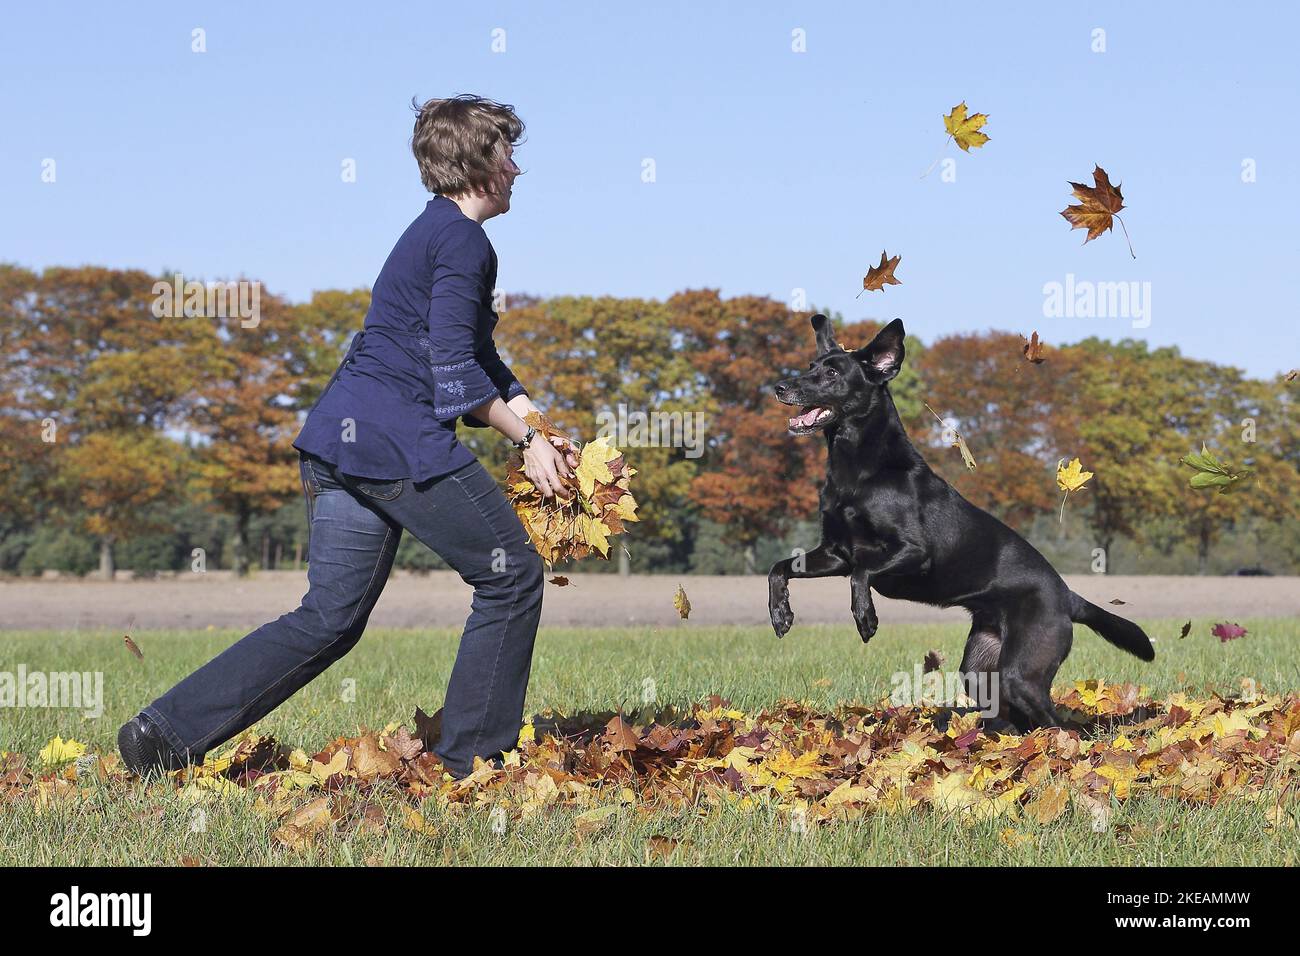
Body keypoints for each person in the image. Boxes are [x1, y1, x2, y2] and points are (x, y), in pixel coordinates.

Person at [118, 94, 575, 779]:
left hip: (339, 441)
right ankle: (469, 765)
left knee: (329, 617)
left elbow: (476, 359)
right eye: (509, 152)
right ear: (482, 161)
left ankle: (164, 733)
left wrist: (537, 427)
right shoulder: (463, 240)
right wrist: (524, 443)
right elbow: (453, 368)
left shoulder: (432, 233)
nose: (519, 168)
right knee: (511, 575)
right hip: (398, 441)